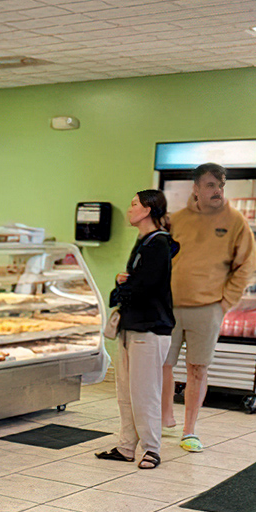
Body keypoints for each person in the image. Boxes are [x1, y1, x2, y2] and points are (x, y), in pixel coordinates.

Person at [162, 163, 256, 453]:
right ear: (196, 188)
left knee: (198, 369)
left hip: (208, 309)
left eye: (221, 185)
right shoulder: (175, 220)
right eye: (210, 185)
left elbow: (246, 266)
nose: (217, 191)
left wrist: (224, 303)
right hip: (169, 307)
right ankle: (165, 417)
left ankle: (190, 430)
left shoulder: (236, 221)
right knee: (162, 365)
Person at [96, 190, 176, 470]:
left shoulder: (160, 244)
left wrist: (122, 287)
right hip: (131, 327)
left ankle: (152, 449)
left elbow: (145, 287)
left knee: (145, 392)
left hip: (150, 328)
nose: (129, 210)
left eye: (133, 205)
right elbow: (136, 283)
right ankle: (126, 446)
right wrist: (125, 284)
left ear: (148, 210)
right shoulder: (143, 241)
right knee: (125, 392)